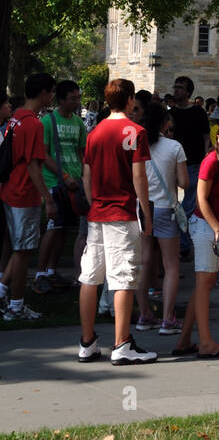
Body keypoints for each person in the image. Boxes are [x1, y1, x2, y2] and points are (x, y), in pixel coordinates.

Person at [77, 78, 157, 364]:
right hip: (122, 212)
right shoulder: (135, 131)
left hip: (98, 211)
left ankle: (87, 341)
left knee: (90, 275)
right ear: (130, 99)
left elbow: (87, 175)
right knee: (123, 277)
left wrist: (93, 201)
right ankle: (122, 343)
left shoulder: (95, 132)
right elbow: (139, 176)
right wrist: (146, 211)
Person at [174, 120, 219, 359]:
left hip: (218, 225)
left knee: (204, 284)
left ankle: (184, 340)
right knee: (205, 282)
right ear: (217, 138)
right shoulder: (211, 160)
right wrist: (217, 229)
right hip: (204, 225)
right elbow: (201, 199)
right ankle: (205, 343)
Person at [0, 74, 56, 321]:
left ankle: (3, 291)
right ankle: (16, 306)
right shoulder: (34, 124)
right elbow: (33, 166)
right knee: (24, 251)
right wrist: (49, 198)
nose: (52, 96)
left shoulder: (16, 118)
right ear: (44, 93)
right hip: (24, 194)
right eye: (51, 92)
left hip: (11, 189)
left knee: (18, 248)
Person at [138, 103, 188, 333]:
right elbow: (184, 182)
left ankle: (144, 314)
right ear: (164, 123)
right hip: (165, 208)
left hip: (141, 207)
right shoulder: (174, 146)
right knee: (170, 265)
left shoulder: (136, 144)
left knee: (145, 262)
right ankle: (168, 318)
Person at [36, 79, 88, 292]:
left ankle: (51, 270)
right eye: (73, 98)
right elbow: (43, 153)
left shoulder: (78, 123)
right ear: (62, 99)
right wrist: (64, 176)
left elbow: (82, 152)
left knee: (64, 228)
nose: (77, 102)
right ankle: (40, 273)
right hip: (55, 182)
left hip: (75, 182)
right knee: (53, 226)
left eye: (78, 97)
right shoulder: (48, 121)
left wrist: (84, 175)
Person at [169, 77, 212, 253]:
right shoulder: (170, 113)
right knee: (171, 205)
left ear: (188, 92)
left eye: (180, 88)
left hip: (194, 162)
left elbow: (206, 137)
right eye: (175, 86)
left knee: (188, 206)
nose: (176, 90)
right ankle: (179, 243)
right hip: (172, 164)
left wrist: (204, 159)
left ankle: (185, 244)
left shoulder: (198, 112)